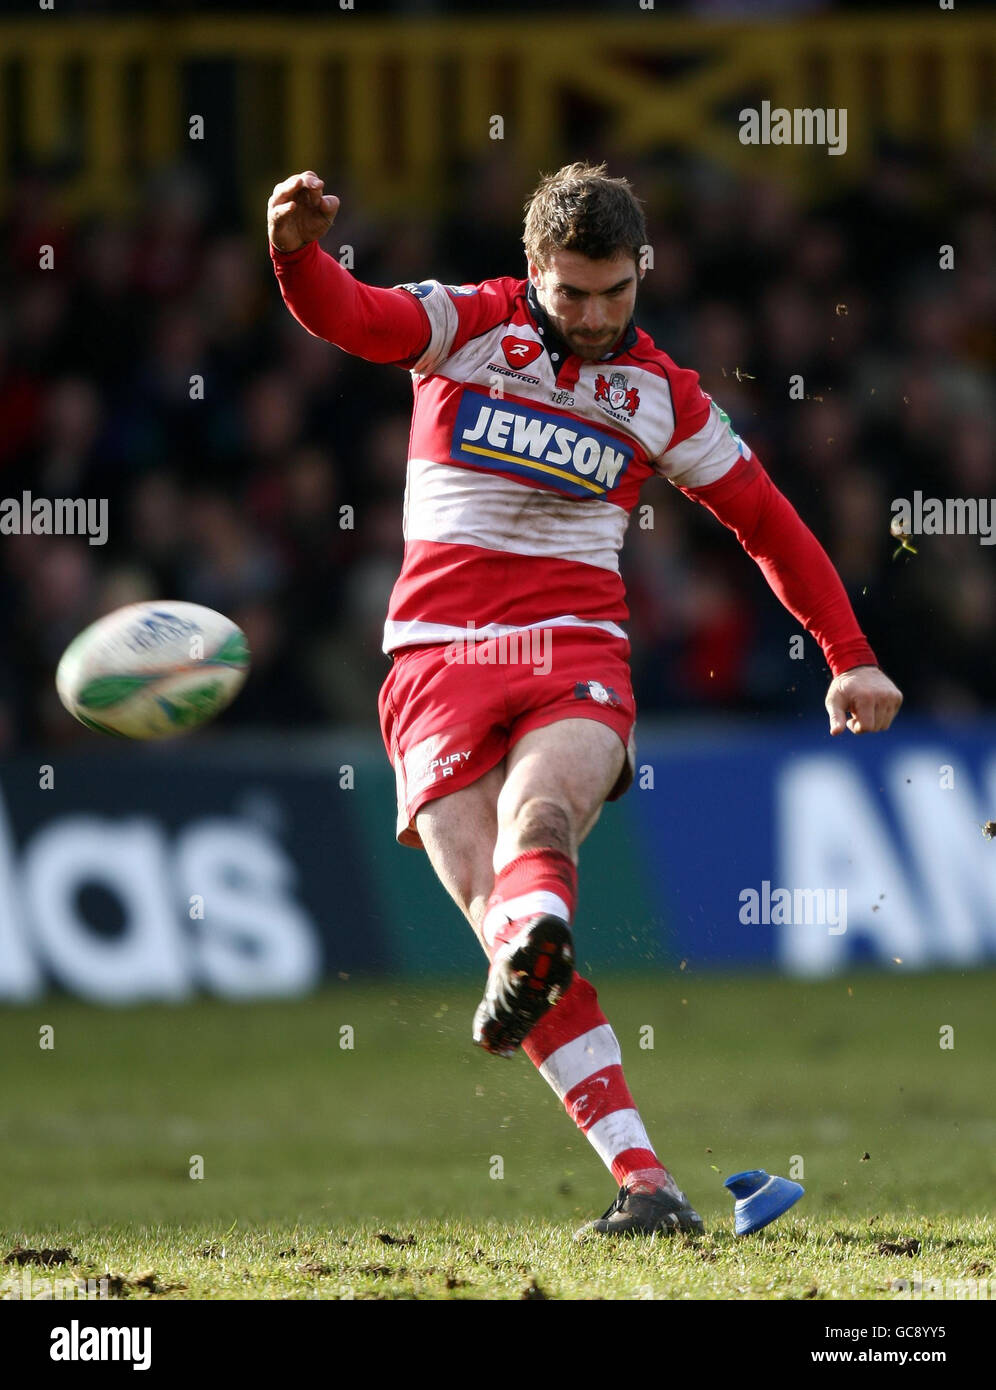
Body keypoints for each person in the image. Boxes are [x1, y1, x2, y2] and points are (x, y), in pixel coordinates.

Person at [267, 162, 903, 1237]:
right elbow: (352, 316)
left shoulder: (661, 391)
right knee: (501, 923)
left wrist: (849, 652)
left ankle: (542, 926)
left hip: (573, 646)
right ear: (533, 272)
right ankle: (647, 1183)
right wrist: (294, 252)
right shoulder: (463, 323)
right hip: (435, 661)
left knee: (543, 820)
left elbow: (767, 520)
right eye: (575, 295)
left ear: (640, 275)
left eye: (617, 292)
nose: (599, 317)